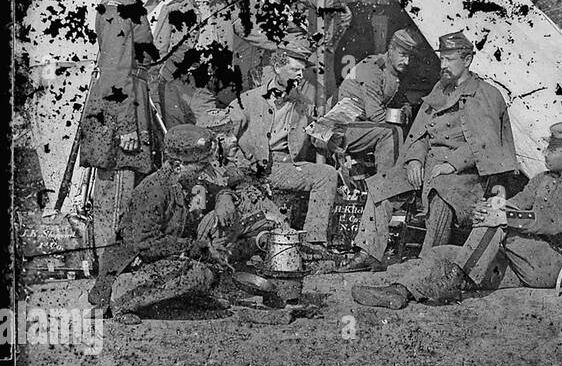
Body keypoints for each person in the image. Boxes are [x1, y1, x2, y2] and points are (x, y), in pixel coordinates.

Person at [350, 122, 562, 308]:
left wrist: (503, 218)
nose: (545, 153)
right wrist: (496, 206)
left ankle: (452, 281)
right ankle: (399, 291)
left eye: (552, 149)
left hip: (548, 265)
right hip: (518, 260)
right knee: (443, 253)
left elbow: (549, 221)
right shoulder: (543, 179)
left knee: (497, 225)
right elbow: (518, 203)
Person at [338, 31, 518, 272]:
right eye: (441, 59)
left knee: (442, 190)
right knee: (382, 184)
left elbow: (485, 143)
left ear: (467, 60)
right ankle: (369, 252)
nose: (442, 65)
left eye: (449, 60)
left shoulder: (484, 93)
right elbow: (421, 132)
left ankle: (427, 265)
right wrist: (414, 159)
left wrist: (451, 164)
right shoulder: (440, 89)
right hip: (427, 164)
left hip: (464, 175)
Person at [87, 125, 264, 320]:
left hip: (160, 262)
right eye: (201, 166)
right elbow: (145, 244)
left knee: (206, 274)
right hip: (129, 264)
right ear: (178, 165)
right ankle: (121, 297)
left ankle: (162, 298)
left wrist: (224, 198)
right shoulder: (154, 189)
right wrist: (195, 248)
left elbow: (217, 189)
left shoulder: (185, 182)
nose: (205, 170)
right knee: (197, 273)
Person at [219, 38, 342, 256]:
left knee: (327, 174)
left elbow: (317, 139)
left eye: (302, 70)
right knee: (279, 229)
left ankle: (314, 242)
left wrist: (331, 131)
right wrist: (241, 164)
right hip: (251, 172)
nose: (300, 75)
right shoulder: (248, 100)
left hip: (285, 167)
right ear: (277, 67)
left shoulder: (303, 104)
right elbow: (224, 137)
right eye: (295, 69)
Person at [79, 0, 160, 247]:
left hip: (128, 101)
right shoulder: (117, 7)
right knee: (116, 194)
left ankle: (115, 266)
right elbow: (115, 71)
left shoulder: (124, 4)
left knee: (123, 191)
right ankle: (111, 271)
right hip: (120, 109)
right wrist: (126, 127)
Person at [152, 0, 245, 129]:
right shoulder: (174, 10)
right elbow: (155, 58)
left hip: (204, 87)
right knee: (177, 139)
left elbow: (254, 33)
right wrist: (154, 99)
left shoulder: (226, 9)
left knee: (210, 134)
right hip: (174, 86)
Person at [308, 27, 420, 173]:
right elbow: (376, 115)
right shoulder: (373, 68)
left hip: (355, 124)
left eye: (410, 57)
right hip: (333, 127)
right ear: (391, 49)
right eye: (403, 55)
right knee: (392, 132)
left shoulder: (393, 71)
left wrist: (406, 108)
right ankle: (385, 190)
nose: (407, 61)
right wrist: (403, 116)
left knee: (397, 129)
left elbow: (400, 99)